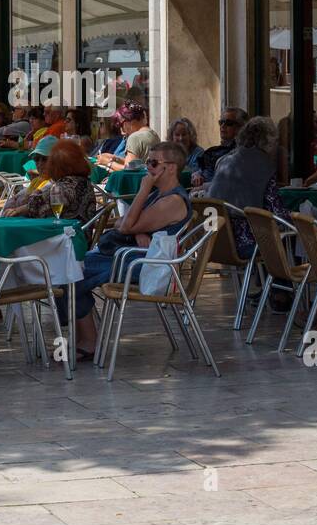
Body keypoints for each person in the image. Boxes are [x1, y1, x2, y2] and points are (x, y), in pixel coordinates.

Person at [72, 142, 193, 358]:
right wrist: (138, 231)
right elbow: (122, 223)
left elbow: (125, 225)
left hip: (141, 264)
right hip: (130, 256)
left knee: (71, 273)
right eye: (148, 161)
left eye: (154, 163)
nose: (148, 167)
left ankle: (89, 341)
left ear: (172, 167)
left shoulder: (172, 200)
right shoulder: (160, 195)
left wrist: (143, 190)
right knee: (69, 267)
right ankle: (85, 338)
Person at [207, 117, 287, 256]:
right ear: (268, 142)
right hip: (246, 242)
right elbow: (275, 210)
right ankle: (283, 277)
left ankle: (258, 277)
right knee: (287, 238)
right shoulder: (264, 165)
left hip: (215, 239)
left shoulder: (224, 160)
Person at [3, 138, 98, 222]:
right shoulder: (83, 181)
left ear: (62, 165)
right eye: (36, 159)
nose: (42, 164)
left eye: (48, 160)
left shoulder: (65, 185)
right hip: (76, 236)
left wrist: (17, 210)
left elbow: (38, 201)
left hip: (64, 238)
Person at [95, 101, 159, 171]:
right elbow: (137, 165)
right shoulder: (153, 134)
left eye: (120, 124)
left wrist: (108, 163)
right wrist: (115, 158)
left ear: (128, 122)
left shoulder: (135, 138)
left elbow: (128, 172)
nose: (121, 131)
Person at [193, 106, 248, 186]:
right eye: (221, 122)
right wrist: (196, 174)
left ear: (241, 127)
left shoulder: (241, 153)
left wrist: (203, 187)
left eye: (229, 123)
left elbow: (227, 184)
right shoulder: (215, 150)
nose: (223, 126)